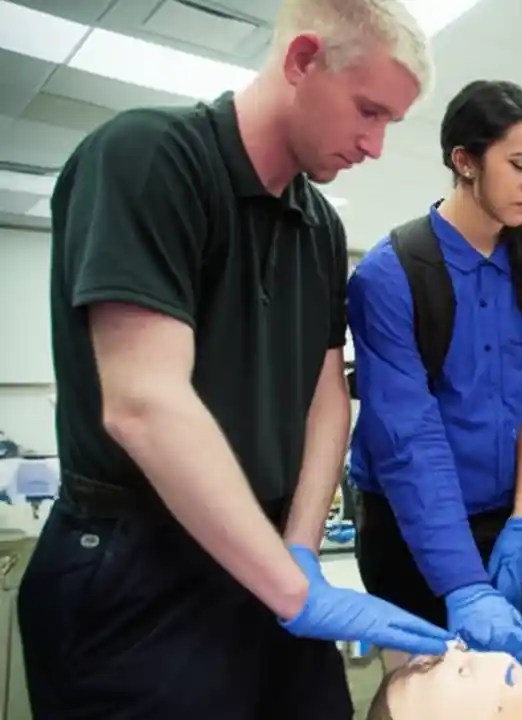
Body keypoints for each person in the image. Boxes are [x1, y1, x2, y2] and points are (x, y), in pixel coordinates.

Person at [17, 2, 449, 718]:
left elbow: (325, 396)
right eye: (367, 112)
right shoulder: (149, 158)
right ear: (302, 59)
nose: (374, 145)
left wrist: (300, 554)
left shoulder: (318, 225)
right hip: (138, 568)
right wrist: (292, 589)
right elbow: (144, 404)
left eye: (389, 125)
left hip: (269, 555)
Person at [348, 79, 522, 712]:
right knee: (436, 699)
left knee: (504, 697)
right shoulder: (391, 273)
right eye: (519, 165)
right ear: (464, 160)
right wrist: (464, 584)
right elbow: (406, 441)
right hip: (409, 528)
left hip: (504, 523)